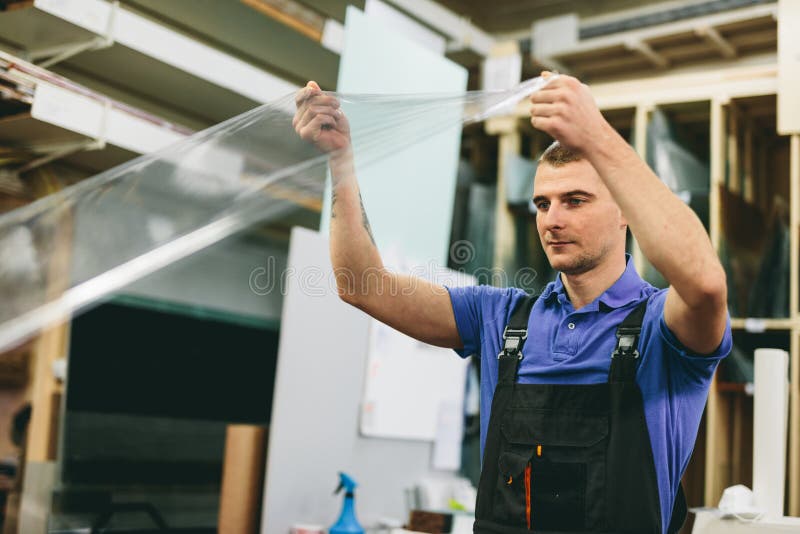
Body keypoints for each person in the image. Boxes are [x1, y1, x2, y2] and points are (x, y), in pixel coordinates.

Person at [293, 73, 730, 534]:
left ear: (625, 210)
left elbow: (704, 284)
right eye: (542, 204)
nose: (552, 221)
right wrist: (340, 159)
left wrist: (597, 134)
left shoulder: (662, 326)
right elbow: (362, 285)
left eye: (575, 200)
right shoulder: (500, 318)